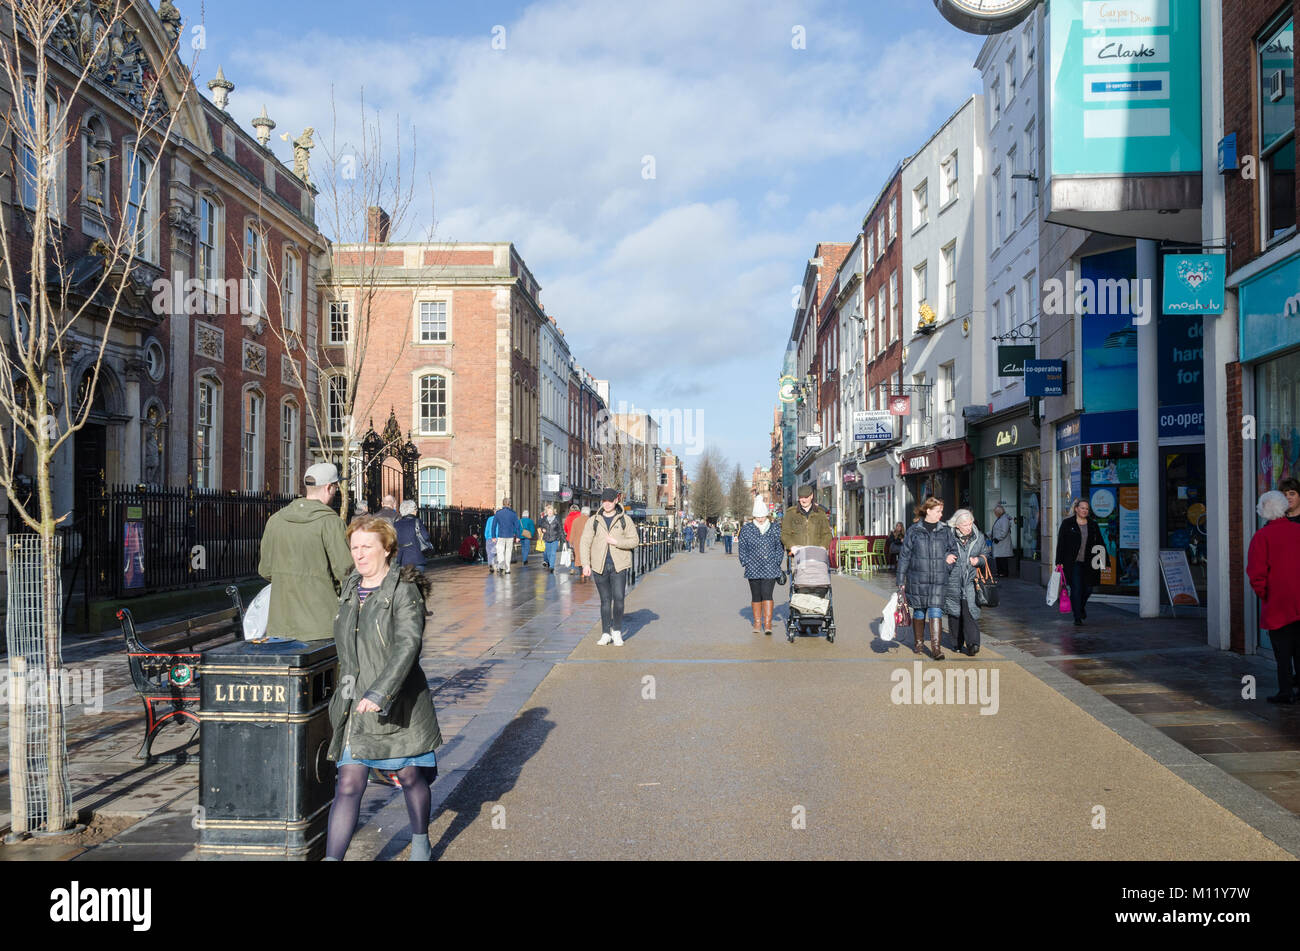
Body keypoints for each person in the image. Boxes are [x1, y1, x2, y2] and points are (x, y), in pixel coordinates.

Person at [324, 516, 442, 861]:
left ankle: (420, 841)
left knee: (408, 776)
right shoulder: (349, 588)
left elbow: (408, 646)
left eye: (366, 547)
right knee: (348, 784)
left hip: (396, 702)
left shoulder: (404, 592)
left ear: (387, 548)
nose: (359, 555)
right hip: (353, 703)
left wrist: (379, 693)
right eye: (354, 547)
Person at [258, 462, 353, 641]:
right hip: (321, 624)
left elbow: (265, 570)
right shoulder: (331, 523)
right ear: (329, 488)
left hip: (281, 623)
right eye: (336, 488)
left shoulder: (275, 520)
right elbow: (346, 572)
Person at [1248, 491, 1300, 703]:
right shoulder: (1298, 530)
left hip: (1278, 602)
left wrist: (1264, 594)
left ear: (1263, 511)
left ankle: (1286, 692)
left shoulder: (1262, 537)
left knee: (1282, 651)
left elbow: (1256, 573)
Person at [896, 496, 959, 660]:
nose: (941, 514)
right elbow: (904, 556)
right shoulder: (913, 531)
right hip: (917, 579)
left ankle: (936, 648)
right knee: (919, 611)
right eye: (938, 511)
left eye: (942, 511)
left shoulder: (945, 531)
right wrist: (900, 581)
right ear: (928, 511)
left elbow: (954, 552)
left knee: (935, 611)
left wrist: (947, 563)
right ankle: (918, 643)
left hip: (938, 579)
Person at [580, 488, 640, 645]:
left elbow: (635, 541)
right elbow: (585, 542)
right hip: (599, 566)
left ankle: (617, 631)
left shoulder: (624, 520)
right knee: (605, 601)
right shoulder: (594, 520)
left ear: (615, 501)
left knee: (619, 599)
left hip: (618, 565)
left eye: (609, 501)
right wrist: (585, 563)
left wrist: (616, 542)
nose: (606, 504)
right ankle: (606, 633)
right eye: (604, 501)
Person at [1054, 498, 1106, 627]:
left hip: (1089, 562)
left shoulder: (1093, 525)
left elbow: (1100, 543)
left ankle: (1080, 607)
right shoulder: (1067, 524)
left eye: (1087, 509)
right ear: (1076, 509)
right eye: (1082, 508)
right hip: (1073, 563)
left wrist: (1103, 561)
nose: (1084, 510)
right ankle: (1077, 616)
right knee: (1076, 589)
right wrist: (1059, 562)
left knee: (1088, 589)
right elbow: (1061, 544)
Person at [738, 497, 784, 635]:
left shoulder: (775, 528)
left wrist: (777, 561)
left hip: (770, 566)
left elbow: (779, 547)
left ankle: (768, 624)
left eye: (763, 516)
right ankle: (757, 623)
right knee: (756, 595)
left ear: (767, 515)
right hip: (753, 567)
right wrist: (745, 561)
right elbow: (742, 546)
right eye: (758, 516)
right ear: (754, 516)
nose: (760, 519)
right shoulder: (747, 529)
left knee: (767, 594)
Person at [945, 509, 985, 656]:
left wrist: (979, 560)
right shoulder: (947, 536)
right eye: (966, 525)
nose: (969, 527)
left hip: (971, 581)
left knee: (970, 611)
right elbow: (939, 552)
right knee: (955, 613)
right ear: (957, 526)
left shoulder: (978, 537)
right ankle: (956, 643)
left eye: (971, 524)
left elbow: (986, 554)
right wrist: (946, 556)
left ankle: (973, 644)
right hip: (953, 581)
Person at [781, 485, 833, 557]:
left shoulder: (820, 513)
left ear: (811, 496)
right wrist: (792, 547)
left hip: (816, 555)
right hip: (796, 556)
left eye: (806, 497)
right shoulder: (791, 513)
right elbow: (785, 534)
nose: (804, 500)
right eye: (801, 498)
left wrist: (823, 547)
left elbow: (827, 534)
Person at [394, 499, 433, 570]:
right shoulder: (417, 522)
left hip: (401, 559)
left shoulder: (395, 524)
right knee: (417, 580)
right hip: (417, 559)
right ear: (413, 510)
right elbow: (426, 537)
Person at [493, 499, 521, 574]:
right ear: (510, 504)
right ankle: (508, 569)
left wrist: (493, 536)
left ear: (503, 504)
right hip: (510, 535)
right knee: (508, 551)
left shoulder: (498, 513)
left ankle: (501, 565)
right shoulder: (513, 514)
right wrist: (518, 536)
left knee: (500, 550)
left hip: (501, 535)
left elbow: (494, 525)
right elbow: (517, 526)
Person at [989, 504, 1013, 578]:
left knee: (1002, 559)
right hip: (1000, 543)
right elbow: (995, 530)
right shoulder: (1001, 518)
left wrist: (998, 538)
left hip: (1002, 543)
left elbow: (1004, 532)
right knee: (999, 558)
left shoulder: (1004, 519)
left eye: (996, 512)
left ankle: (1004, 573)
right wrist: (987, 534)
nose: (995, 514)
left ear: (999, 512)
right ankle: (1000, 572)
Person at [568, 505, 591, 579]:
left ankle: (582, 573)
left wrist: (571, 542)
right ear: (588, 513)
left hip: (578, 543)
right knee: (587, 557)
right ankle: (587, 571)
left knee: (580, 557)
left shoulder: (576, 521)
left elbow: (572, 533)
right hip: (588, 542)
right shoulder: (590, 520)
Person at [538, 504, 563, 572]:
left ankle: (551, 566)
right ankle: (549, 563)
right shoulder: (544, 519)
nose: (550, 513)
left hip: (555, 538)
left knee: (553, 553)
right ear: (547, 512)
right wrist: (542, 529)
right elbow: (540, 525)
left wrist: (562, 539)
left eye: (551, 511)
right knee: (548, 553)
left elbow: (560, 529)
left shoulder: (556, 519)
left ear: (553, 511)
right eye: (548, 511)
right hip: (547, 539)